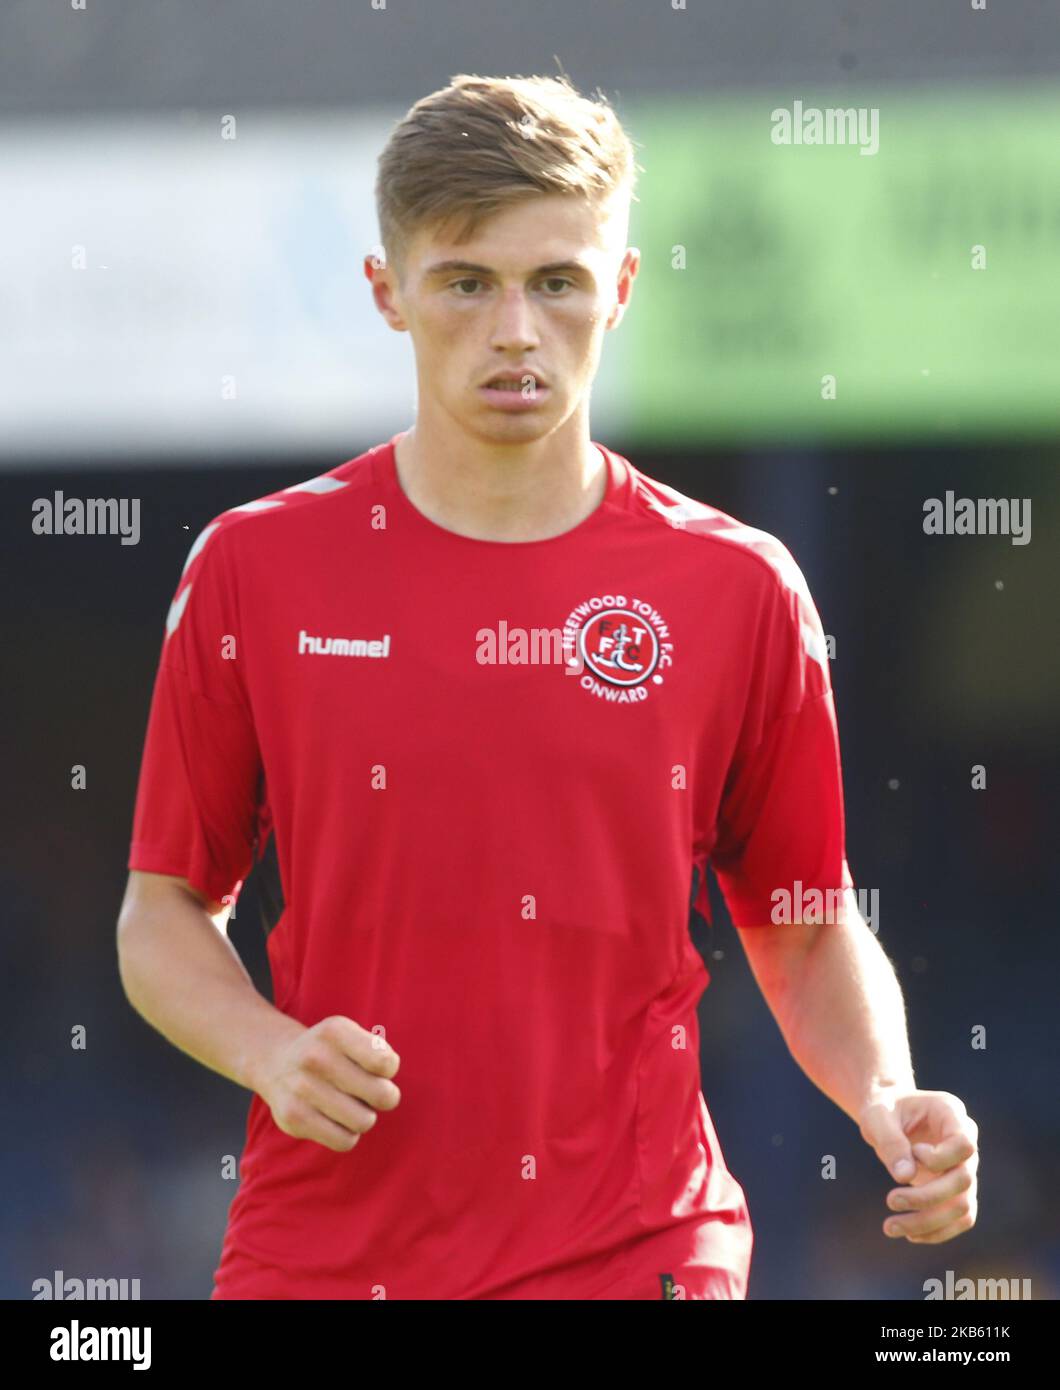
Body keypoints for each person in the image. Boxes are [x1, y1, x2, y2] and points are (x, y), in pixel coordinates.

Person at [116, 73, 979, 1300]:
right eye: (468, 280)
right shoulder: (257, 569)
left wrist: (887, 1093)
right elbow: (162, 913)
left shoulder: (736, 587)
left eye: (557, 281)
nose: (515, 329)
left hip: (638, 1250)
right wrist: (270, 1050)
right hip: (323, 1255)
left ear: (618, 291)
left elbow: (799, 917)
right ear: (389, 293)